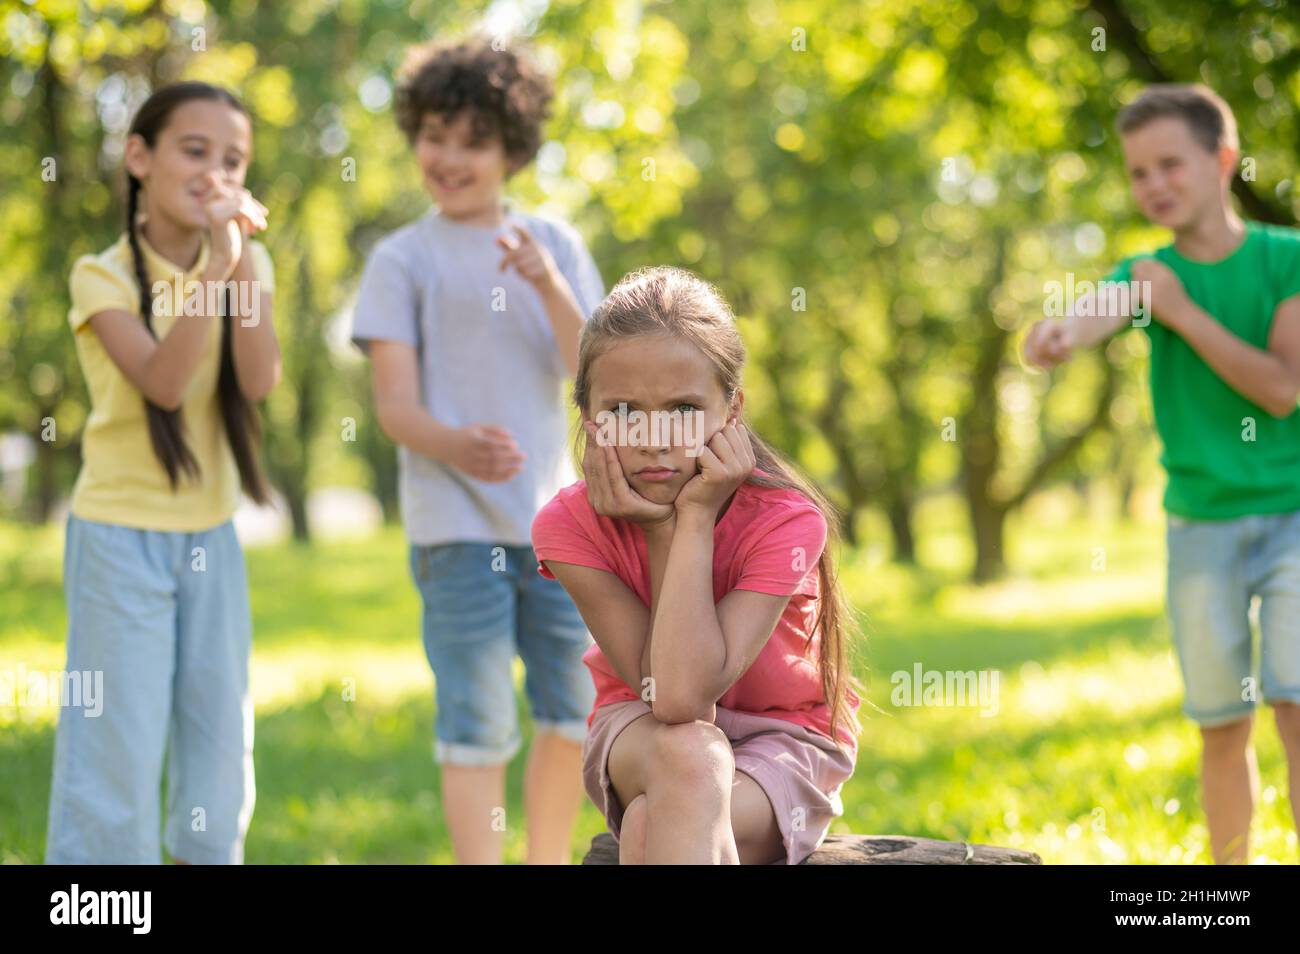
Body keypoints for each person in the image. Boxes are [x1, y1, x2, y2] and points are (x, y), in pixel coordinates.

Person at [1023, 83, 1300, 864]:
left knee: (1297, 706)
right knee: (1221, 721)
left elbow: (1282, 387)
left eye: (1170, 164)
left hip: (1293, 517)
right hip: (1200, 526)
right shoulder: (1144, 274)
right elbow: (1092, 313)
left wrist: (1180, 312)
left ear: (1222, 160)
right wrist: (1054, 337)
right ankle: (1229, 888)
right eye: (1139, 172)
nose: (1154, 185)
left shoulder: (1286, 260)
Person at [350, 39, 605, 864]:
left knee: (573, 708)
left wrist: (545, 282)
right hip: (453, 530)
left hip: (559, 531)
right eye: (434, 134)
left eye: (473, 141)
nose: (448, 157)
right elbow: (395, 408)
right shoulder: (402, 259)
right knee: (478, 715)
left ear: (514, 150)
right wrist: (455, 445)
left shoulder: (556, 244)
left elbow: (592, 374)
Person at [532, 266, 861, 864]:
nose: (656, 439)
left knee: (651, 828)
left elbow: (686, 698)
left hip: (782, 738)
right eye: (625, 410)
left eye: (683, 409)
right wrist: (667, 528)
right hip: (639, 728)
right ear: (586, 414)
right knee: (690, 754)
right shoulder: (567, 526)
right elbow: (673, 701)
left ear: (731, 409)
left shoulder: (786, 522)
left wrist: (690, 520)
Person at [46, 81, 278, 864]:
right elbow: (164, 384)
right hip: (117, 538)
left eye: (234, 158)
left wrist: (238, 266)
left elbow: (257, 379)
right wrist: (217, 266)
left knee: (220, 744)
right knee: (117, 739)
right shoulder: (99, 276)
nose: (216, 170)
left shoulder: (248, 263)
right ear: (139, 157)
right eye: (195, 149)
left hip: (209, 536)